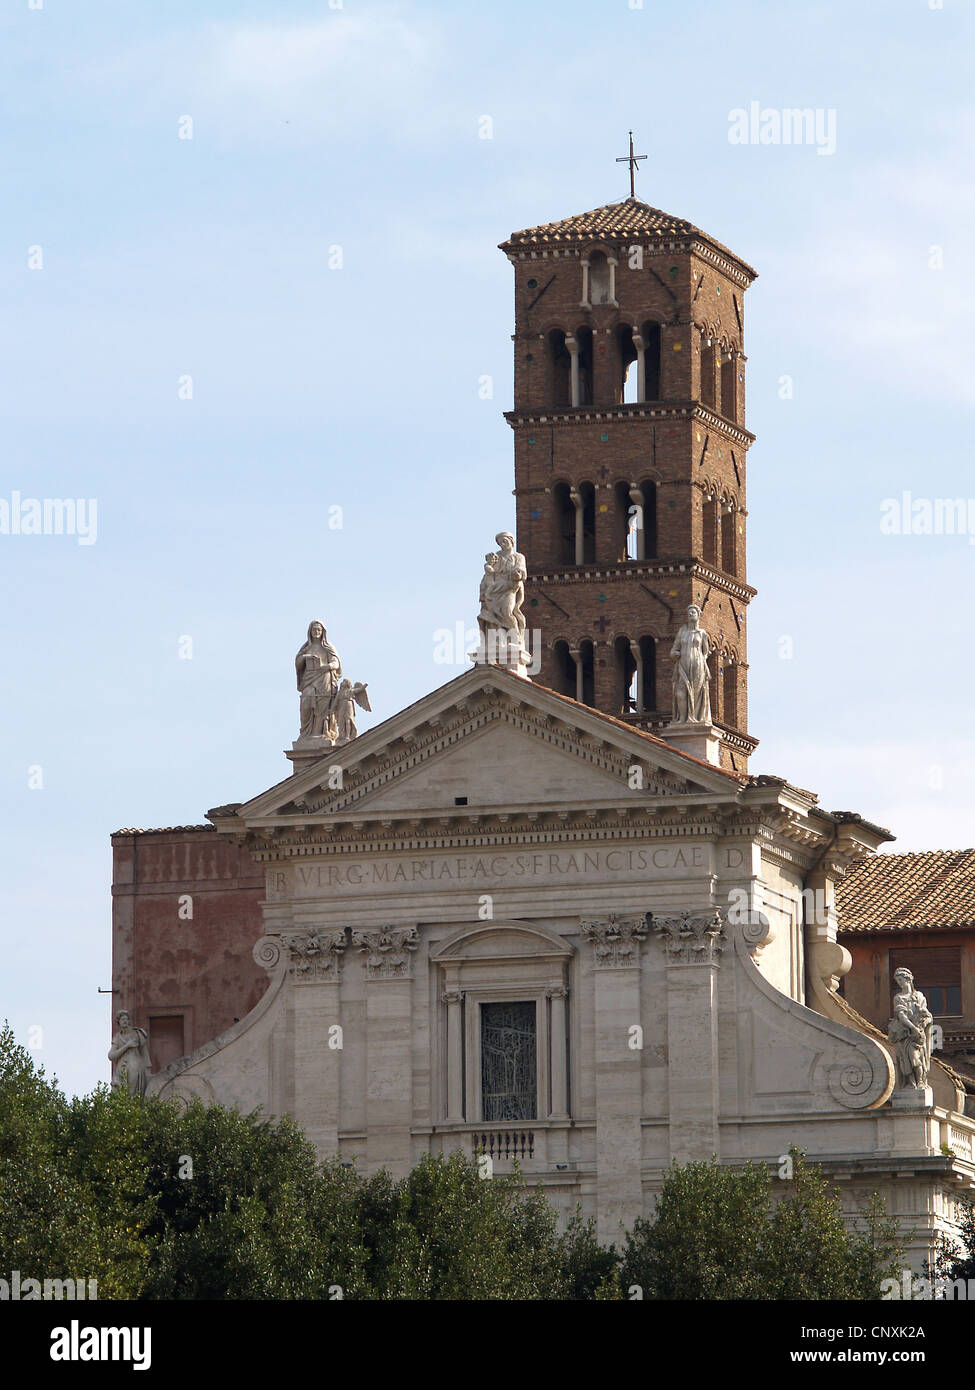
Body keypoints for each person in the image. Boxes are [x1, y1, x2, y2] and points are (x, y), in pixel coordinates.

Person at [295, 620, 342, 739]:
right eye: (314, 630)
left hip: (324, 679)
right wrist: (306, 657)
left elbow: (336, 663)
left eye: (319, 630)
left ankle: (321, 732)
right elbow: (298, 664)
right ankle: (306, 733)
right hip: (309, 680)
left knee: (323, 707)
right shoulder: (306, 648)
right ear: (310, 632)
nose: (316, 632)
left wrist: (327, 667)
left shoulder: (328, 647)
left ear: (323, 632)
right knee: (306, 702)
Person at [889, 967, 933, 1089]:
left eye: (900, 979)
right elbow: (901, 1016)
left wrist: (924, 1023)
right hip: (904, 1035)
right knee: (905, 1060)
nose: (899, 982)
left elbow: (927, 1015)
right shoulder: (898, 998)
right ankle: (910, 1083)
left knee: (915, 1057)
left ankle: (920, 1082)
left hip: (917, 1035)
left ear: (908, 980)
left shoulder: (919, 996)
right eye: (897, 980)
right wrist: (912, 1027)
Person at [670, 604, 712, 723]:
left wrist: (702, 664)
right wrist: (675, 654)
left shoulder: (702, 633)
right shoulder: (682, 632)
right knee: (680, 693)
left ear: (698, 615)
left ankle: (694, 717)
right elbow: (674, 649)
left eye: (693, 612)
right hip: (683, 665)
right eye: (689, 613)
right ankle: (683, 717)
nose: (690, 614)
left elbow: (706, 651)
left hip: (697, 666)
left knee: (695, 693)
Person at [108, 1010, 151, 1096]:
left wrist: (148, 1069)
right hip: (121, 1069)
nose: (124, 1021)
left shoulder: (137, 1033)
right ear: (118, 1022)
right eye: (122, 1019)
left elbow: (144, 1052)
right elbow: (111, 1056)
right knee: (117, 1092)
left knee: (132, 1093)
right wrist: (127, 1046)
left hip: (135, 1066)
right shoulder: (117, 1037)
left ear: (129, 1021)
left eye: (126, 1019)